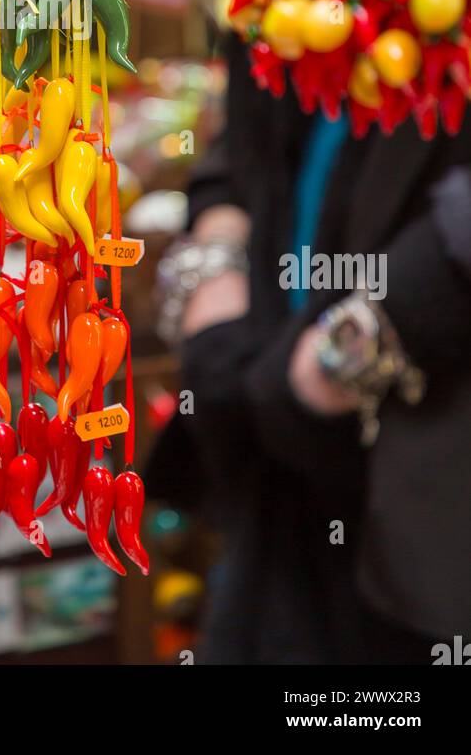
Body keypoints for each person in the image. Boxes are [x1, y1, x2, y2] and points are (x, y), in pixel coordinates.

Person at [148, 34, 471, 665]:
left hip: (427, 501)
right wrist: (214, 278)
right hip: (270, 468)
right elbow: (244, 144)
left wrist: (350, 350)